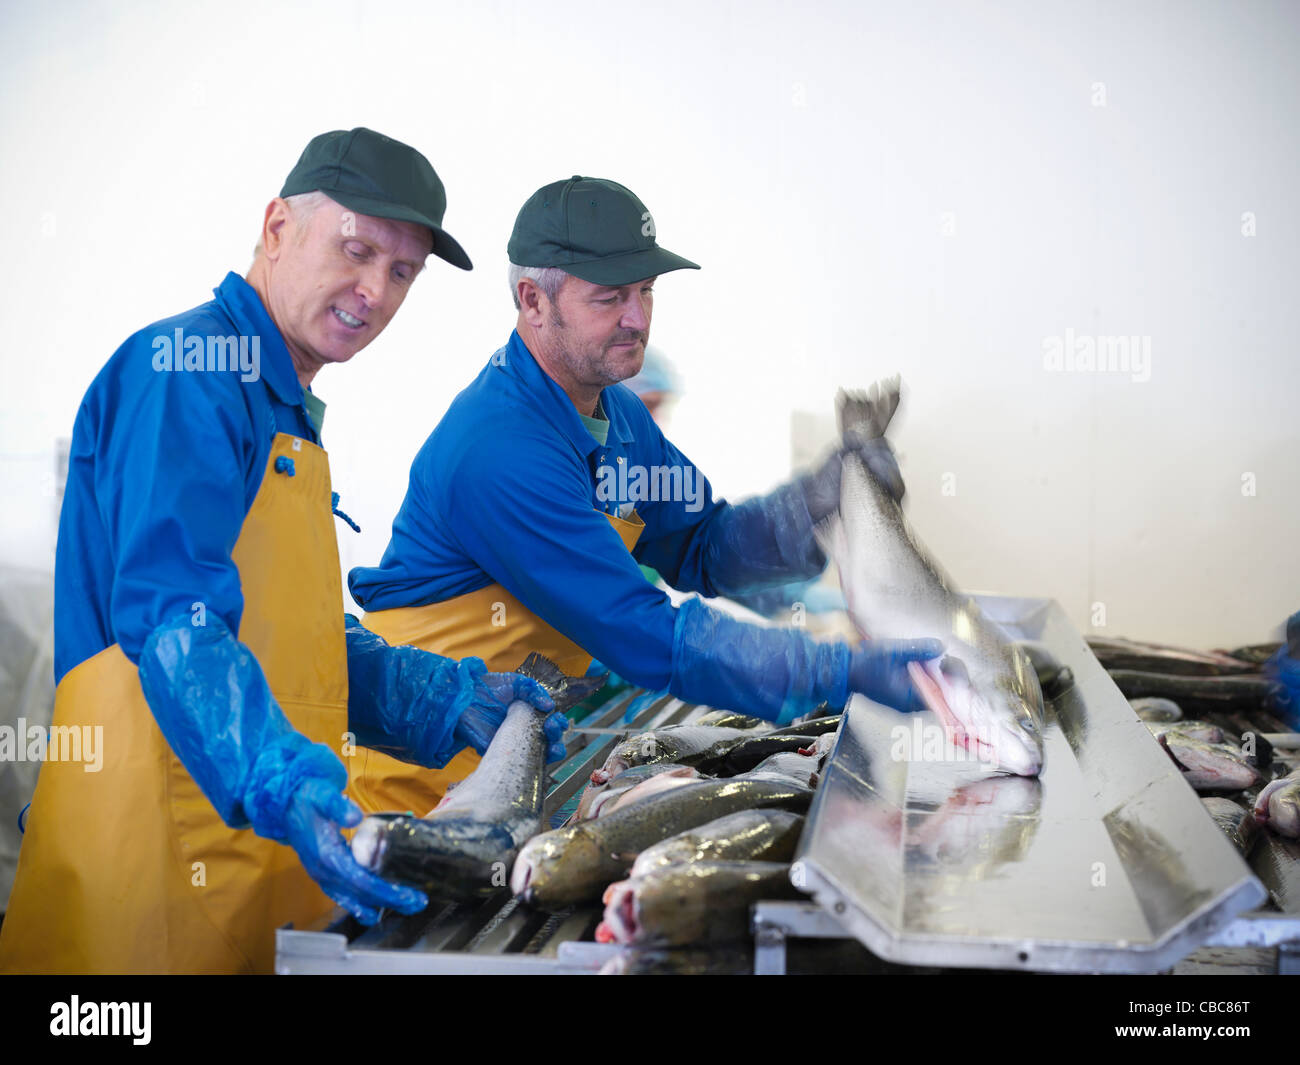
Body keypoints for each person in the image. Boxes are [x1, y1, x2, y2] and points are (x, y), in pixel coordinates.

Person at [0, 129, 566, 975]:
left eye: (401, 272)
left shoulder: (285, 406)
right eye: (356, 248)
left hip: (246, 885)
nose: (374, 289)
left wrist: (440, 697)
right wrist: (290, 784)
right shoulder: (187, 373)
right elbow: (177, 625)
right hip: (139, 893)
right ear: (276, 228)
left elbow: (279, 631)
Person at [348, 175, 942, 809]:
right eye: (609, 297)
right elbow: (642, 632)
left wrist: (818, 501)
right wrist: (838, 671)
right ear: (533, 300)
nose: (638, 319)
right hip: (418, 786)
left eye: (646, 291)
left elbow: (707, 546)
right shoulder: (497, 448)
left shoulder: (621, 417)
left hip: (520, 762)